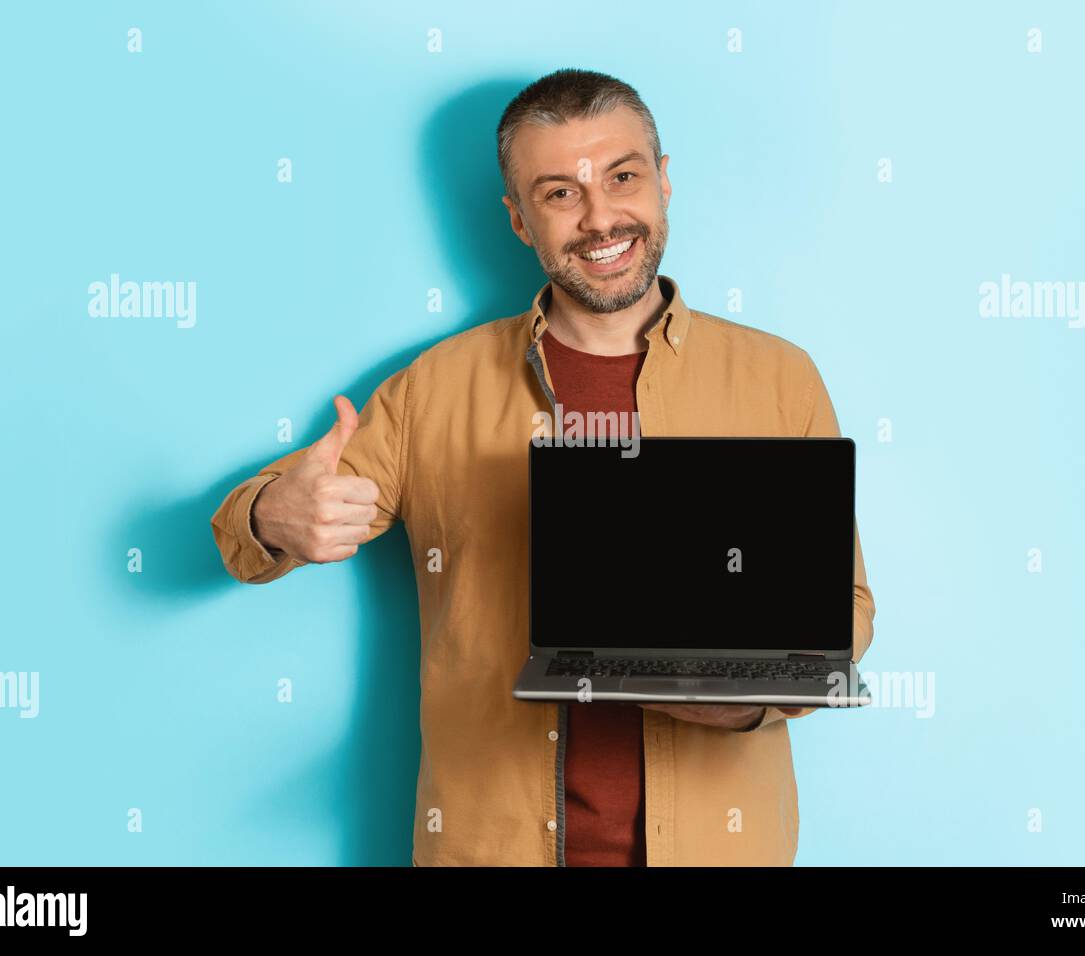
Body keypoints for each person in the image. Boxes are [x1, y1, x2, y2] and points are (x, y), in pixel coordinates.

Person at [210, 68, 875, 866]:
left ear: (664, 180)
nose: (601, 219)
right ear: (519, 220)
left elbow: (846, 607)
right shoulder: (435, 388)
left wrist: (747, 704)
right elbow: (242, 529)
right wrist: (272, 513)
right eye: (560, 193)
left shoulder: (778, 378)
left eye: (623, 177)